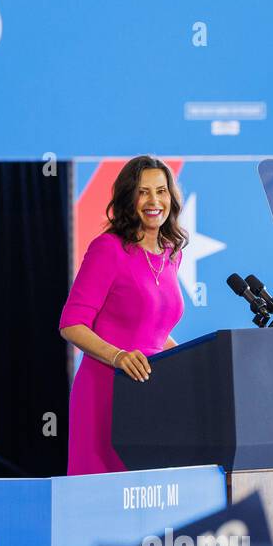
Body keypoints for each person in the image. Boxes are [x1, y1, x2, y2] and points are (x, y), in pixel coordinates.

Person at [59, 156, 186, 475]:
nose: (154, 201)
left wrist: (186, 361)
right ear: (129, 198)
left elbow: (152, 329)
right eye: (144, 192)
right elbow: (71, 325)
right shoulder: (108, 248)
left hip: (152, 395)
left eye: (161, 191)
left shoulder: (172, 253)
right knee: (105, 502)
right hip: (106, 392)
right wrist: (118, 357)